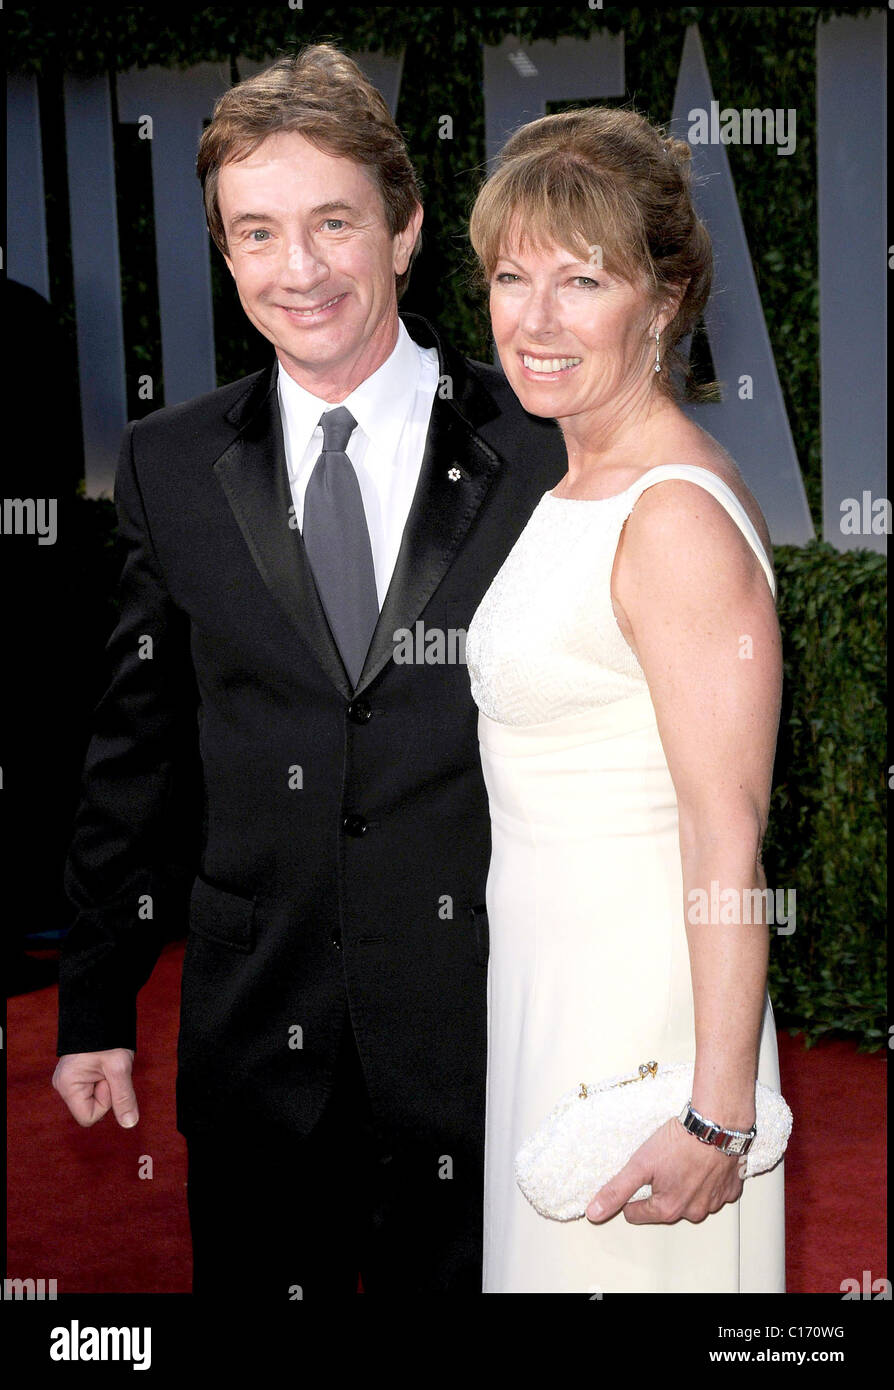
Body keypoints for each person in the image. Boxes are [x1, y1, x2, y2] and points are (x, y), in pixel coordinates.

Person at [52, 44, 567, 1297]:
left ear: (403, 230)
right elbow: (140, 747)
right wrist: (96, 999)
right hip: (255, 1047)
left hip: (492, 1040)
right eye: (259, 233)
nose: (299, 269)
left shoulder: (544, 448)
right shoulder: (170, 464)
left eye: (333, 223)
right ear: (227, 256)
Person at [465, 106, 786, 1293]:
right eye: (510, 275)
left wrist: (716, 1117)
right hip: (550, 1001)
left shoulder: (674, 513)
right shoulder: (580, 476)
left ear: (662, 298)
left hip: (639, 1036)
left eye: (581, 279)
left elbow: (725, 833)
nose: (533, 321)